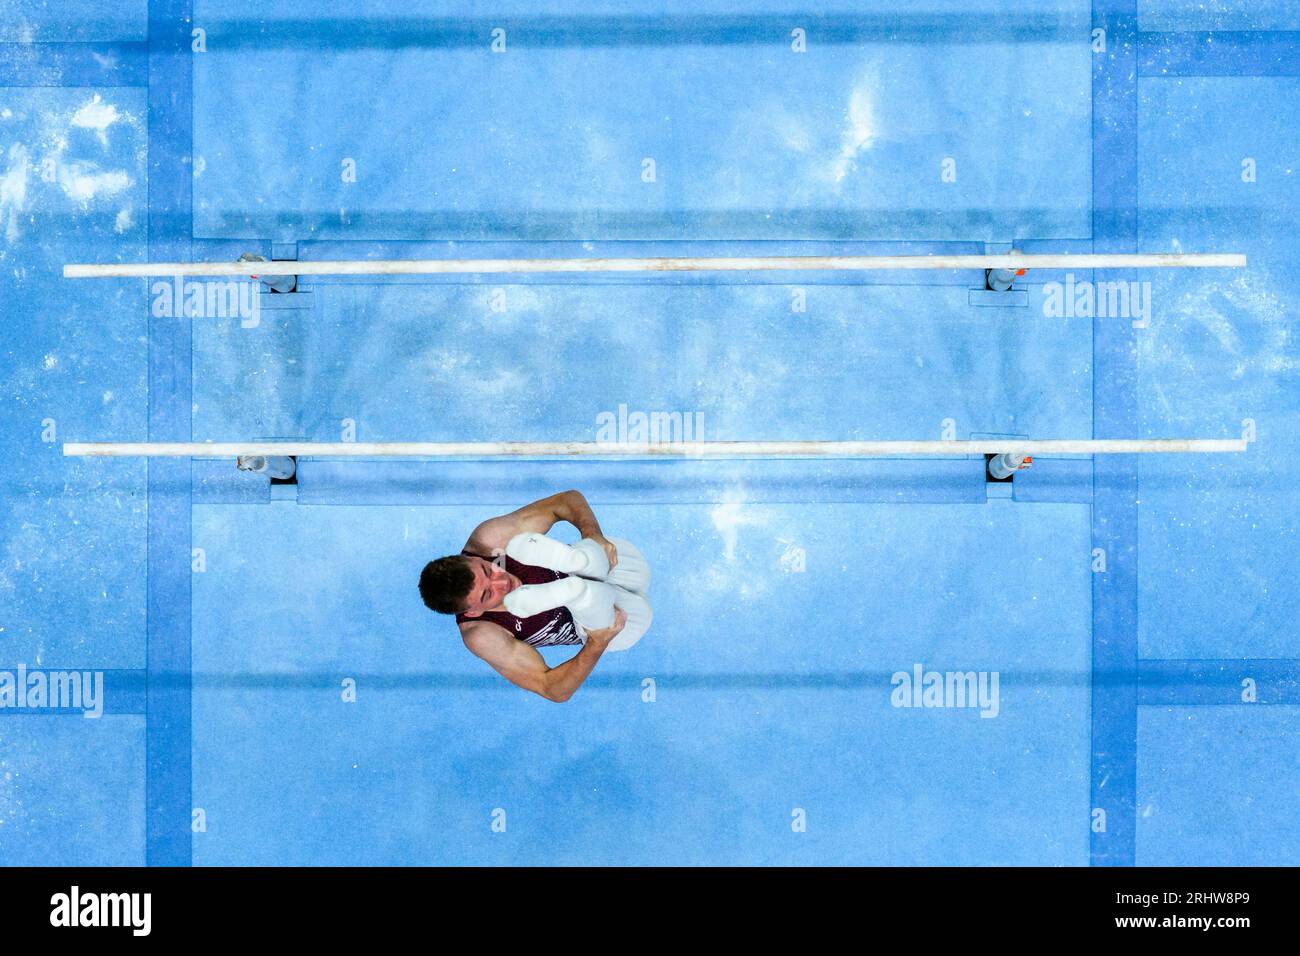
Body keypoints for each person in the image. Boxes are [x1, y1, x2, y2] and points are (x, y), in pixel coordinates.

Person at [418, 490, 652, 701]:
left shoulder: (490, 541)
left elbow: (565, 500)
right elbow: (551, 688)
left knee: (591, 560)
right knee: (592, 604)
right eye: (488, 593)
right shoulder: (482, 633)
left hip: (616, 564)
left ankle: (579, 565)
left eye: (489, 570)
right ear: (473, 611)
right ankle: (576, 589)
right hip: (613, 621)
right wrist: (597, 643)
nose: (502, 581)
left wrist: (593, 534)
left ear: (475, 558)